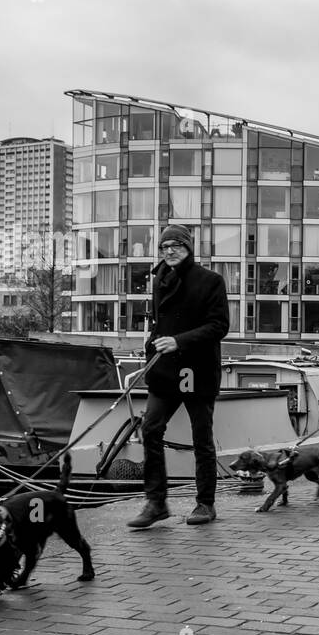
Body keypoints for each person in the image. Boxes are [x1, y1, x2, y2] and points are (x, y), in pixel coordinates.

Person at [127, 224, 230, 528]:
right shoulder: (159, 278)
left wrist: (179, 341)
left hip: (196, 370)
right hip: (165, 371)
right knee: (151, 428)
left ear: (188, 248)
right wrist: (151, 348)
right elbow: (160, 322)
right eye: (163, 246)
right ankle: (156, 502)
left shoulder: (211, 281)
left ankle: (205, 504)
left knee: (202, 439)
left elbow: (219, 326)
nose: (169, 251)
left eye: (176, 245)